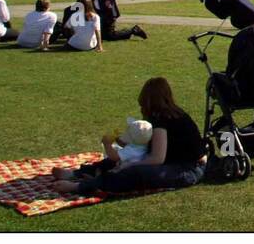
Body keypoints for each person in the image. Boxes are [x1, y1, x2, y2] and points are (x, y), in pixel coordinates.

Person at [52, 77, 207, 195]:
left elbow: (157, 158)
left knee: (135, 172)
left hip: (187, 169)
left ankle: (82, 186)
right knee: (123, 158)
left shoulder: (163, 120)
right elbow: (145, 149)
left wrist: (131, 164)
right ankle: (76, 174)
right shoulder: (169, 114)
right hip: (178, 163)